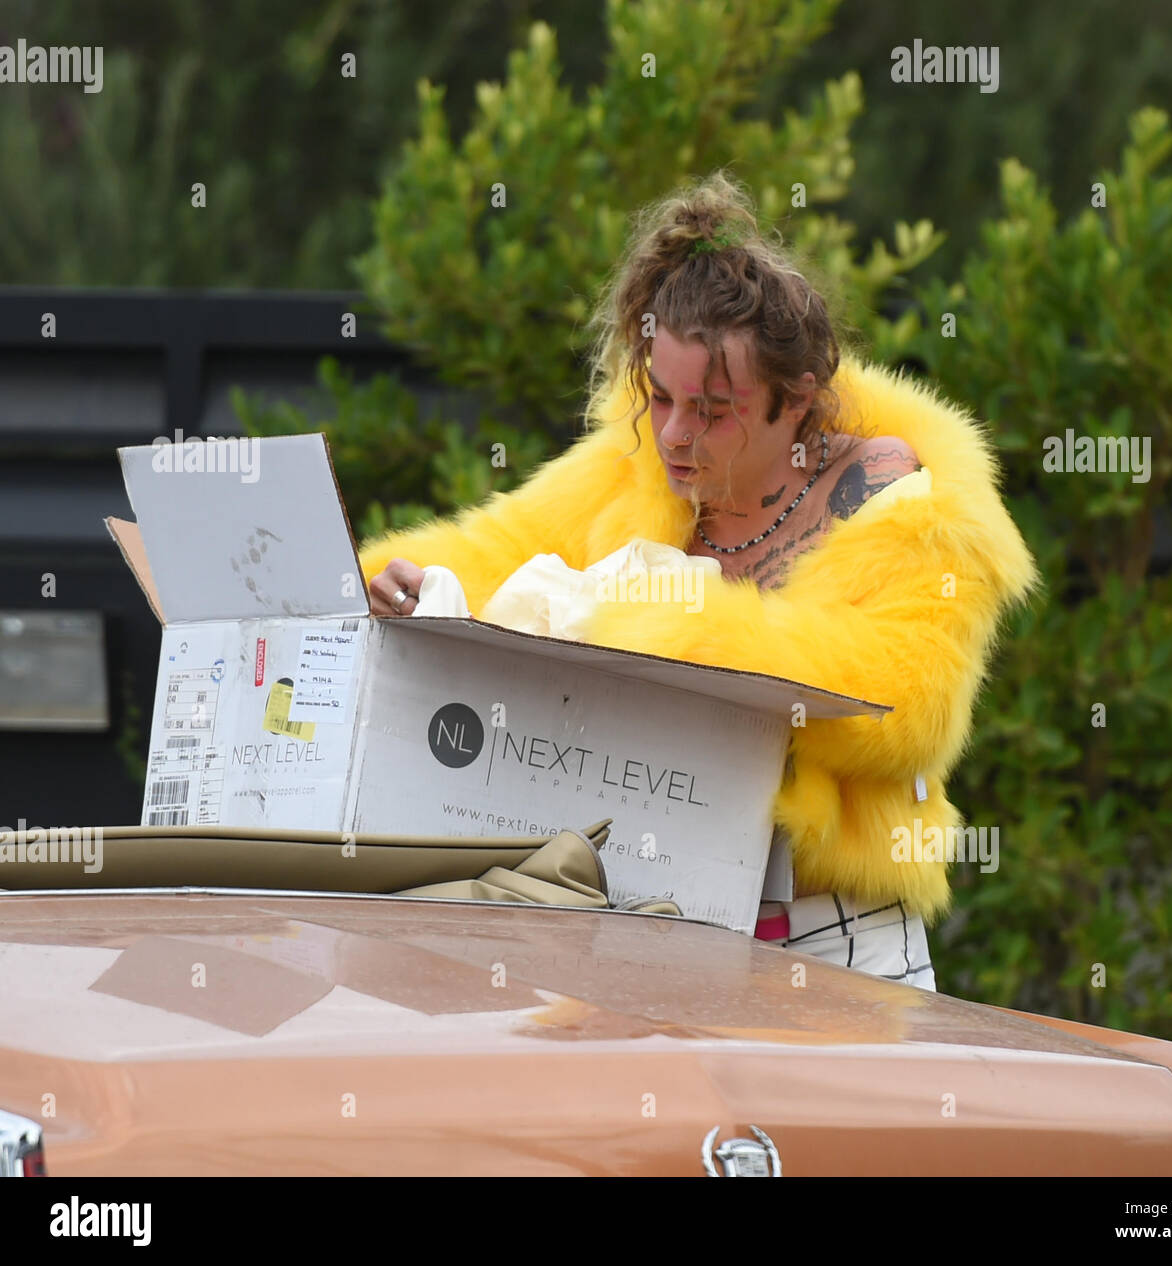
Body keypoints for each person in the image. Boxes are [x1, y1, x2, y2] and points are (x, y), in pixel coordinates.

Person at [360, 171, 1040, 991]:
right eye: (659, 397)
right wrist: (409, 583)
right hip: (641, 918)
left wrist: (676, 636)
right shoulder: (638, 456)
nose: (676, 435)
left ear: (799, 400)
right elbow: (504, 547)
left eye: (714, 411)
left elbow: (909, 705)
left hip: (831, 936)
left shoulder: (895, 486)